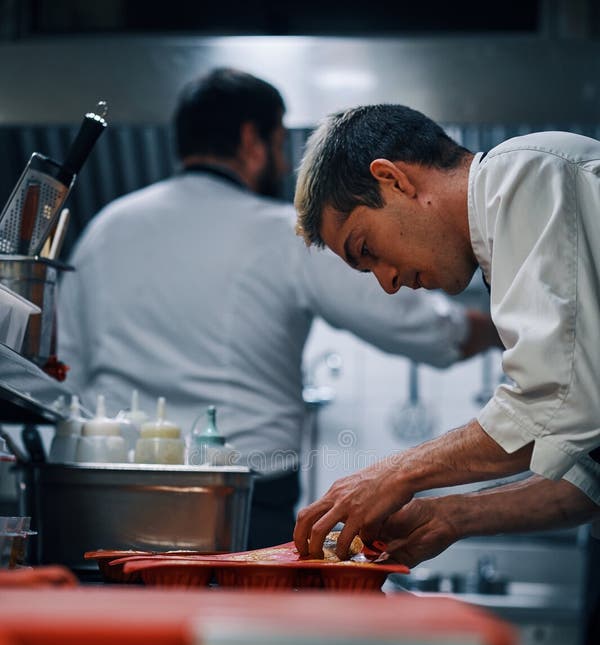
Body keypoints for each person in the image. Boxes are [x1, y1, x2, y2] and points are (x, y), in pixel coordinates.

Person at [57, 72, 499, 550]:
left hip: (110, 499)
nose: (286, 162)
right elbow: (422, 327)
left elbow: (64, 369)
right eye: (280, 141)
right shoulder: (277, 231)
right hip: (239, 506)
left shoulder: (105, 230)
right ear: (253, 140)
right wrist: (499, 329)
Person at [292, 103, 600, 566]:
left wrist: (397, 473)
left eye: (367, 248)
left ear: (393, 180)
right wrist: (452, 516)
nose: (387, 283)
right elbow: (589, 471)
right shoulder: (508, 239)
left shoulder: (529, 178)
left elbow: (560, 404)